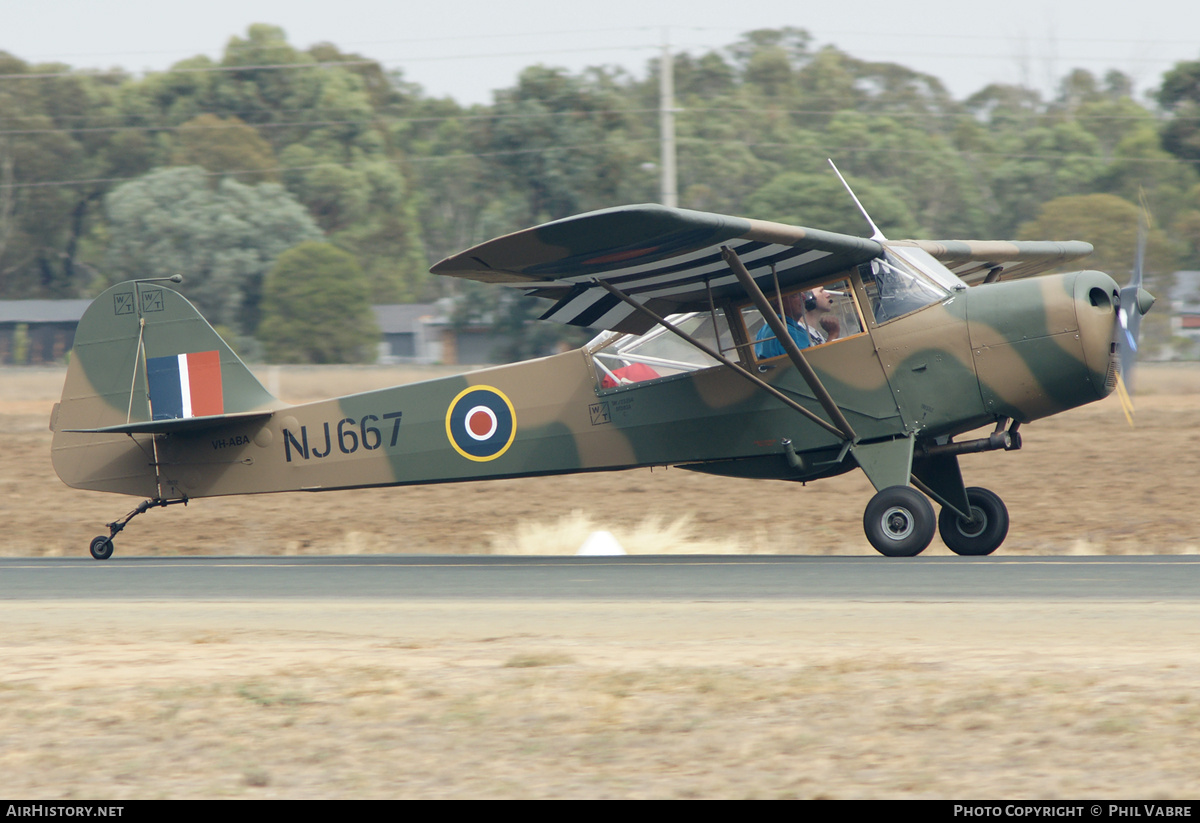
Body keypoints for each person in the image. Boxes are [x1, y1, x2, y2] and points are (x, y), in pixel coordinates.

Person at [754, 288, 838, 358]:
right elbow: (815, 366)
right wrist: (832, 335)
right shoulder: (786, 331)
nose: (804, 297)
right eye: (795, 295)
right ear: (778, 302)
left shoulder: (768, 329)